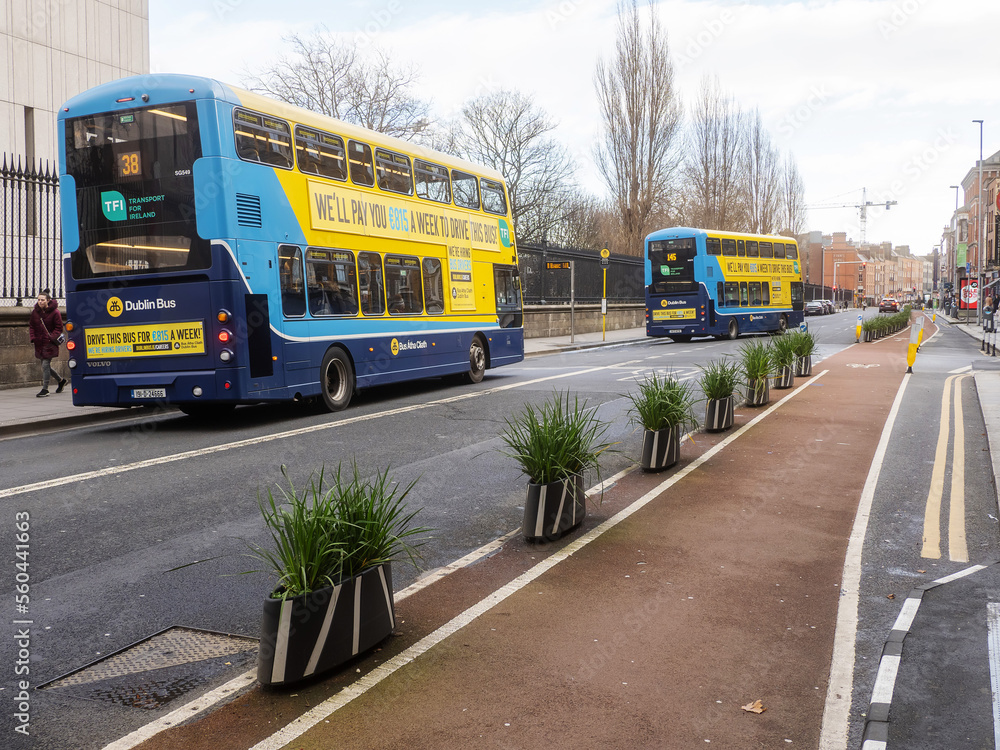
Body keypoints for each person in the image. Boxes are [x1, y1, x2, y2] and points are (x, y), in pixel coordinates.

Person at [28, 289, 67, 397]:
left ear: (48, 300)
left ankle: (45, 389)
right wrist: (33, 337)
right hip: (39, 342)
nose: (40, 302)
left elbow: (59, 328)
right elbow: (32, 326)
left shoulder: (55, 312)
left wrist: (51, 337)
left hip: (50, 343)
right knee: (46, 366)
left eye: (42, 300)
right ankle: (61, 380)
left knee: (45, 364)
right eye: (38, 300)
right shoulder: (35, 312)